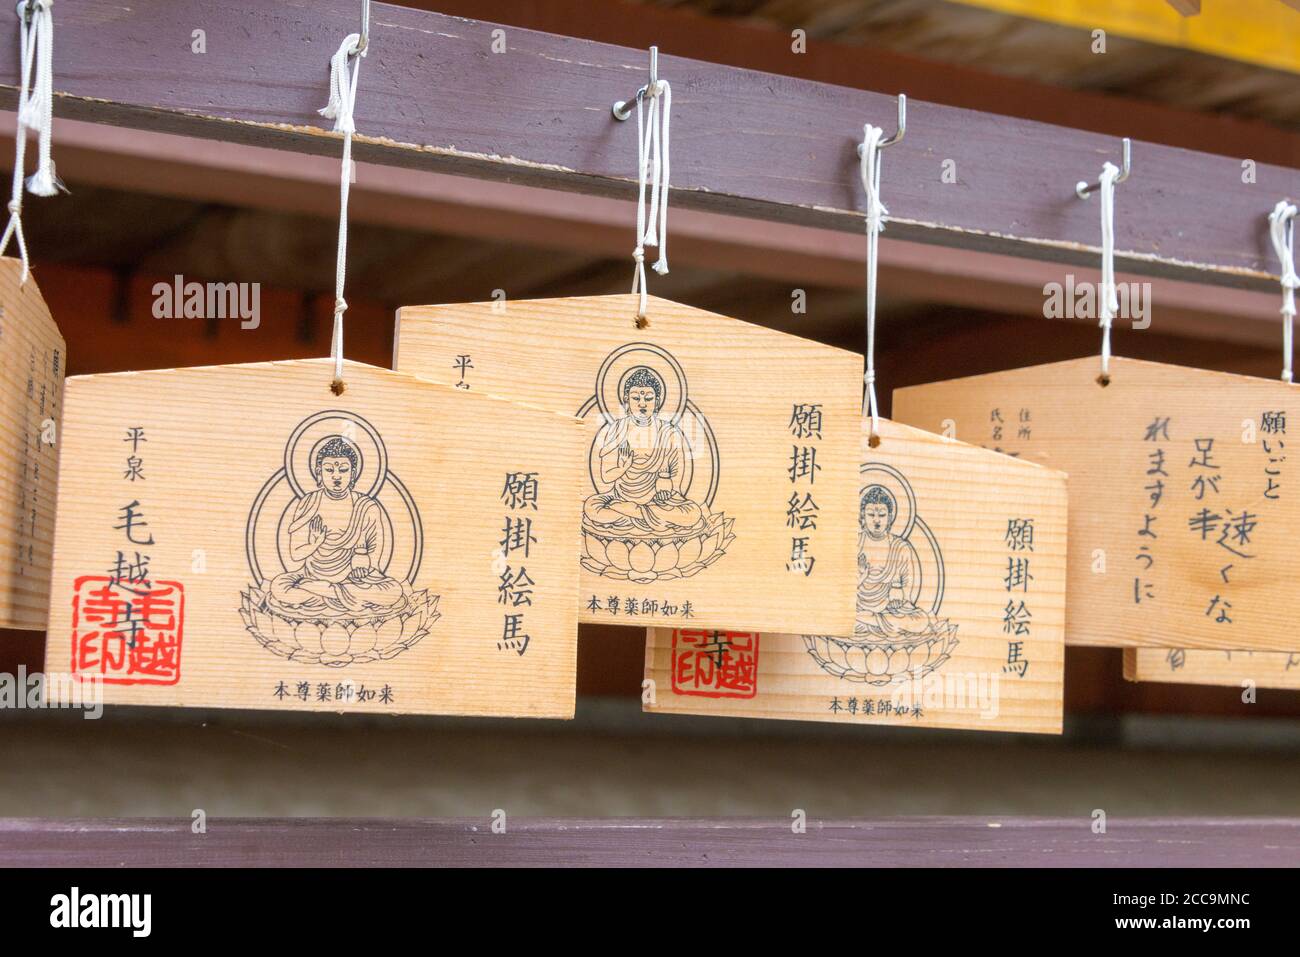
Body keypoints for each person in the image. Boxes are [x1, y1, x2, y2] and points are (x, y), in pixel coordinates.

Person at [268, 436, 408, 617]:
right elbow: (295, 554)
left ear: (353, 473)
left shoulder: (366, 506)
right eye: (329, 470)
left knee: (393, 591)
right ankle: (343, 596)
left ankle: (325, 593)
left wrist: (365, 566)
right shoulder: (308, 503)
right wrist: (316, 544)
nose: (336, 476)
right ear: (319, 472)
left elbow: (376, 550)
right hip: (313, 575)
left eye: (343, 470)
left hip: (355, 578)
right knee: (279, 586)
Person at [583, 366, 707, 534]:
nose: (642, 403)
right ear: (627, 400)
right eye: (636, 398)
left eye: (648, 398)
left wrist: (666, 487)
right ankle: (644, 516)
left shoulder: (669, 432)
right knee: (592, 507)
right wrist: (623, 468)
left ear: (657, 401)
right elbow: (606, 476)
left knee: (693, 513)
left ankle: (632, 513)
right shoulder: (617, 428)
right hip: (621, 496)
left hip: (658, 501)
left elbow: (675, 478)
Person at [856, 484, 945, 639]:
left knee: (920, 619)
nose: (876, 520)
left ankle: (871, 622)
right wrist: (860, 578)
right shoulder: (856, 543)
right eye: (871, 515)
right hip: (858, 607)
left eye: (882, 515)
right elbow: (841, 587)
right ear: (862, 517)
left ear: (890, 517)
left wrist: (900, 596)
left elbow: (907, 586)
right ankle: (871, 622)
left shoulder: (900, 547)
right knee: (846, 616)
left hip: (889, 609)